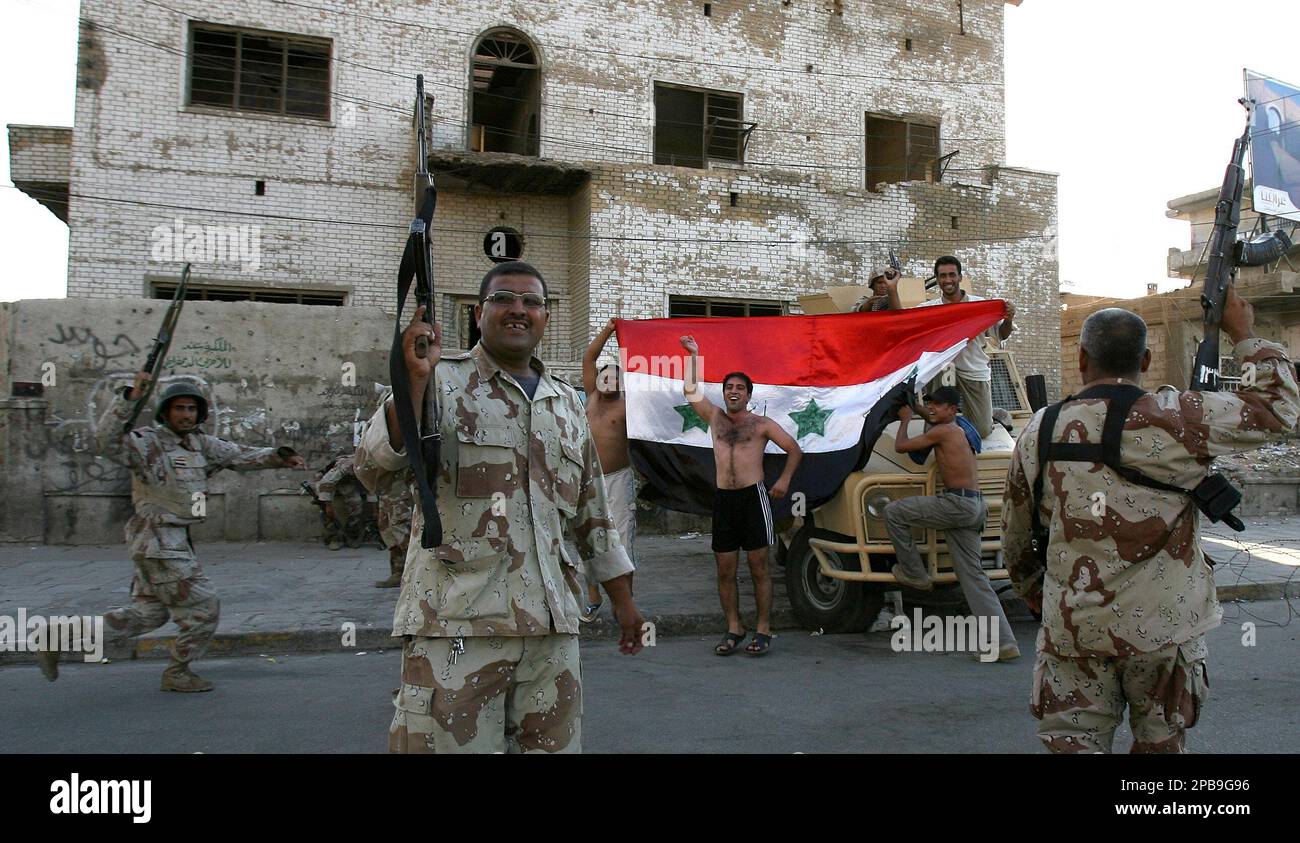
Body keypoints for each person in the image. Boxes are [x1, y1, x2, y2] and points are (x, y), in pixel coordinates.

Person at [354, 260, 644, 754]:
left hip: (552, 630)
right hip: (458, 630)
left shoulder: (568, 404)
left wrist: (624, 601)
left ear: (546, 317)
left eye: (532, 302)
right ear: (477, 314)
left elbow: (593, 513)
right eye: (504, 299)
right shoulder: (439, 382)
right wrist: (412, 384)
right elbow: (373, 467)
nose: (518, 310)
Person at [1001, 292, 1300, 753]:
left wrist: (1047, 602)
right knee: (1160, 748)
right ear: (1145, 358)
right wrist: (1244, 334)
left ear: (1081, 358)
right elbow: (1279, 410)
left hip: (1074, 629)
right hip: (1164, 630)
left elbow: (1017, 539)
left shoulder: (1040, 430)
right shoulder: (1178, 417)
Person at [37, 375, 305, 692]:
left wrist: (279, 457)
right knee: (205, 608)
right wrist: (129, 398)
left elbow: (237, 454)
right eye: (179, 408)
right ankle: (178, 671)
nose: (186, 415)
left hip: (170, 542)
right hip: (158, 542)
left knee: (148, 615)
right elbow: (105, 443)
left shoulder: (199, 443)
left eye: (192, 408)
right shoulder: (145, 441)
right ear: (165, 412)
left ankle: (58, 636)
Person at [680, 335, 802, 657]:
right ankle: (734, 626)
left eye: (740, 388)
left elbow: (794, 449)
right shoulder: (715, 419)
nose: (733, 392)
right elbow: (690, 391)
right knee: (725, 569)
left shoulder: (761, 424)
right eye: (729, 387)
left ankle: (763, 629)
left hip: (754, 499)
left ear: (748, 394)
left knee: (759, 567)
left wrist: (784, 480)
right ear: (724, 393)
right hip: (724, 501)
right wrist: (693, 354)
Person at [884, 387, 1018, 662]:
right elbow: (933, 416)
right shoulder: (958, 427)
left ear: (953, 409)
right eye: (930, 404)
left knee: (893, 512)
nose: (932, 409)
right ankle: (1004, 643)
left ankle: (915, 575)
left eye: (938, 405)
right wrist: (919, 407)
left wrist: (906, 418)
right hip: (974, 505)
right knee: (974, 577)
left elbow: (901, 446)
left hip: (956, 504)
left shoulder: (943, 431)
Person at [886, 255, 1015, 439]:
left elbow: (1001, 334)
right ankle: (939, 423)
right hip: (944, 371)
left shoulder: (978, 305)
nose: (948, 280)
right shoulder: (930, 309)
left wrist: (1009, 319)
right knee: (936, 425)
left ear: (960, 277)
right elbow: (902, 322)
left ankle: (965, 423)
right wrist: (892, 289)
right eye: (943, 276)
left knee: (982, 430)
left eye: (952, 275)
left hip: (974, 370)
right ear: (937, 279)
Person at [580, 317, 637, 621]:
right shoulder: (590, 397)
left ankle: (624, 601)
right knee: (588, 537)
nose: (609, 381)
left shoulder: (627, 404)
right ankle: (593, 597)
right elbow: (589, 357)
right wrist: (608, 330)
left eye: (616, 377)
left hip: (618, 479)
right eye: (606, 376)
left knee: (622, 539)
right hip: (587, 479)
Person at [310, 453, 364, 552]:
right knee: (326, 511)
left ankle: (351, 534)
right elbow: (326, 483)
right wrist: (328, 506)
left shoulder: (371, 466)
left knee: (356, 503)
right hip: (325, 480)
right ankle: (333, 538)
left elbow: (372, 489)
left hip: (346, 480)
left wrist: (375, 510)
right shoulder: (346, 465)